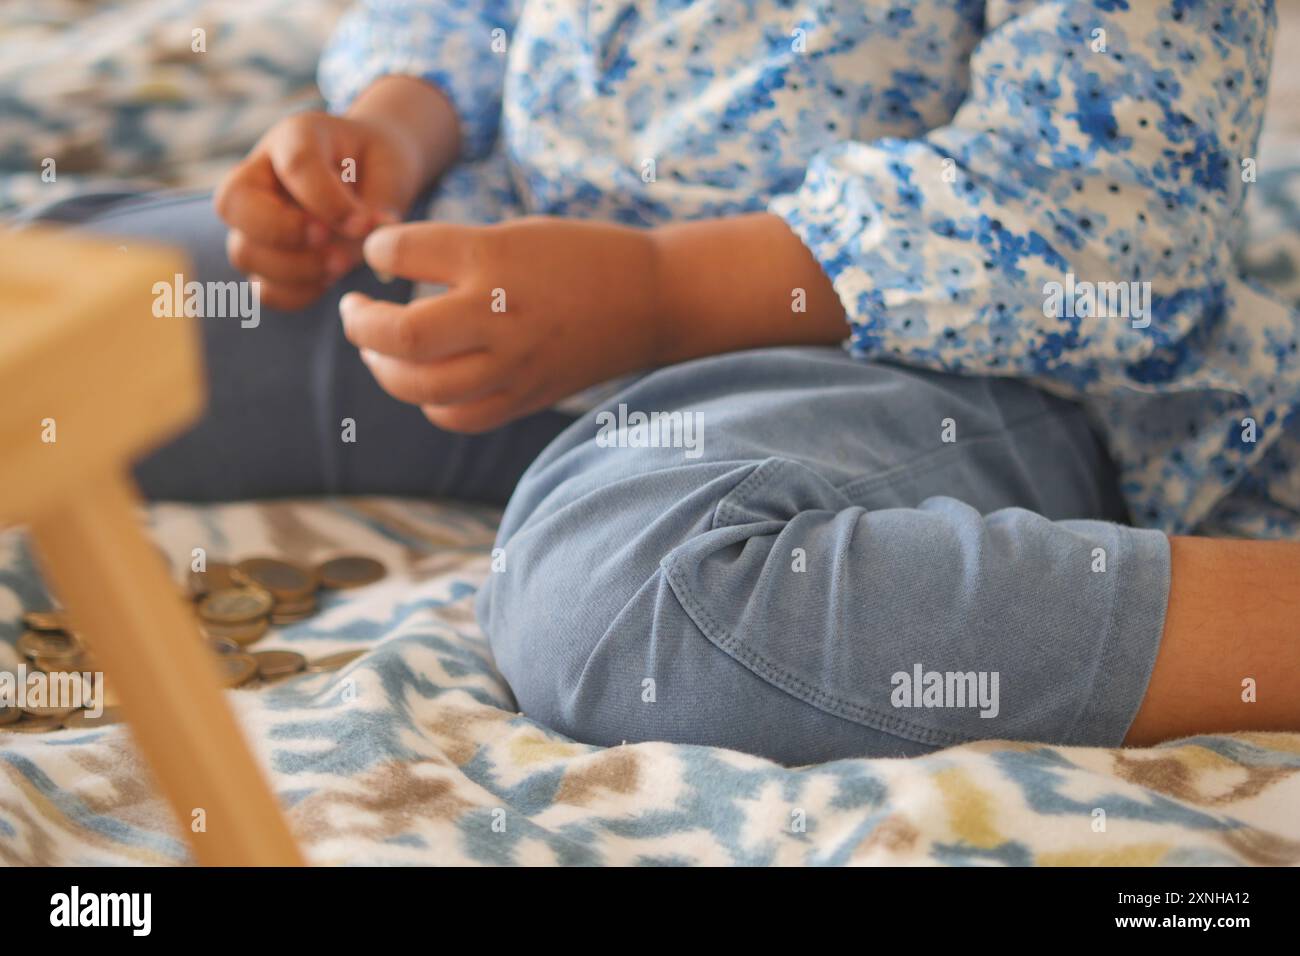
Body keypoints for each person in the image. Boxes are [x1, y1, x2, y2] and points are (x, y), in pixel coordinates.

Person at [50, 1, 1300, 765]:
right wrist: (392, 127)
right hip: (507, 267)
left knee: (632, 608)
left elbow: (1096, 212)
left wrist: (663, 292)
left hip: (919, 354)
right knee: (75, 302)